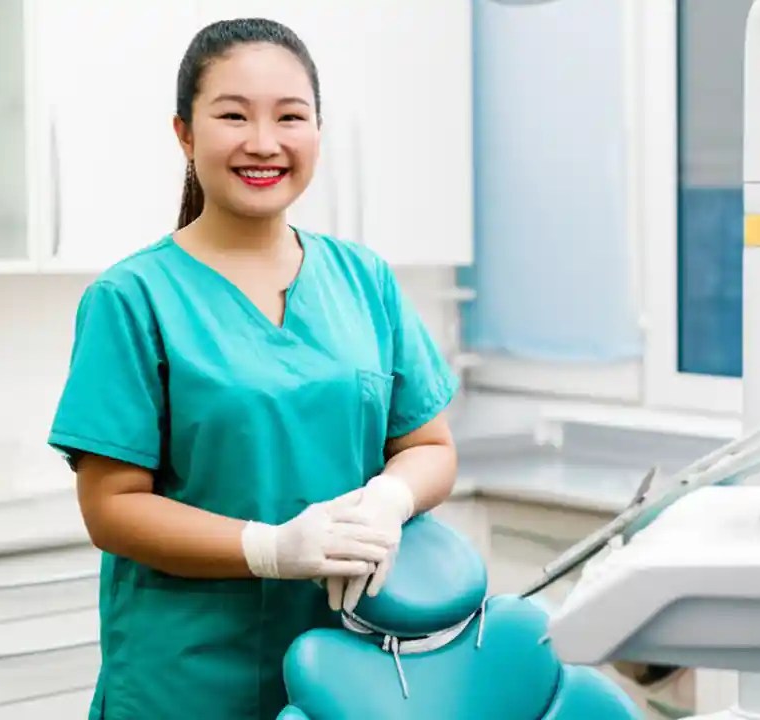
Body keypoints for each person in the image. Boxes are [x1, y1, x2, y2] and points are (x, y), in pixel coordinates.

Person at [47, 17, 460, 720]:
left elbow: (428, 449)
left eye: (290, 117)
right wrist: (267, 549)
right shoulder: (132, 298)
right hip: (186, 680)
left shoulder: (364, 280)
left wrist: (390, 501)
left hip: (345, 668)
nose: (263, 142)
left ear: (318, 134)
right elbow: (111, 508)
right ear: (184, 133)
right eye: (232, 115)